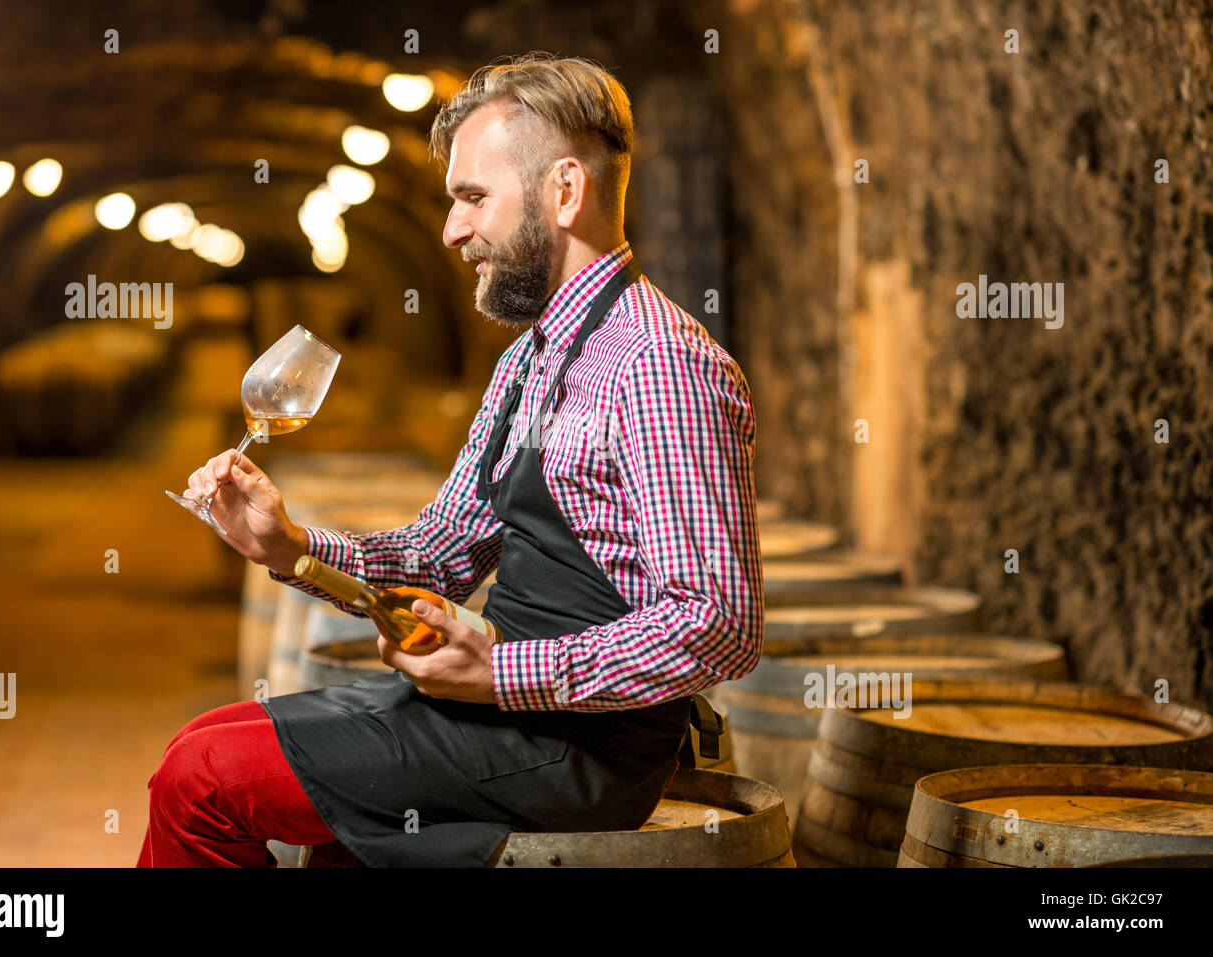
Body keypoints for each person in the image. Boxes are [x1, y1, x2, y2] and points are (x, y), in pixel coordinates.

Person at [137, 52, 764, 868]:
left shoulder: (659, 364)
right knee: (208, 736)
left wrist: (504, 672)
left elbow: (719, 623)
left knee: (202, 777)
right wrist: (292, 546)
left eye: (472, 198)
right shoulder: (532, 359)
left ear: (564, 191)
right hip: (510, 716)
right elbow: (440, 552)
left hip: (579, 750)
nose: (451, 230)